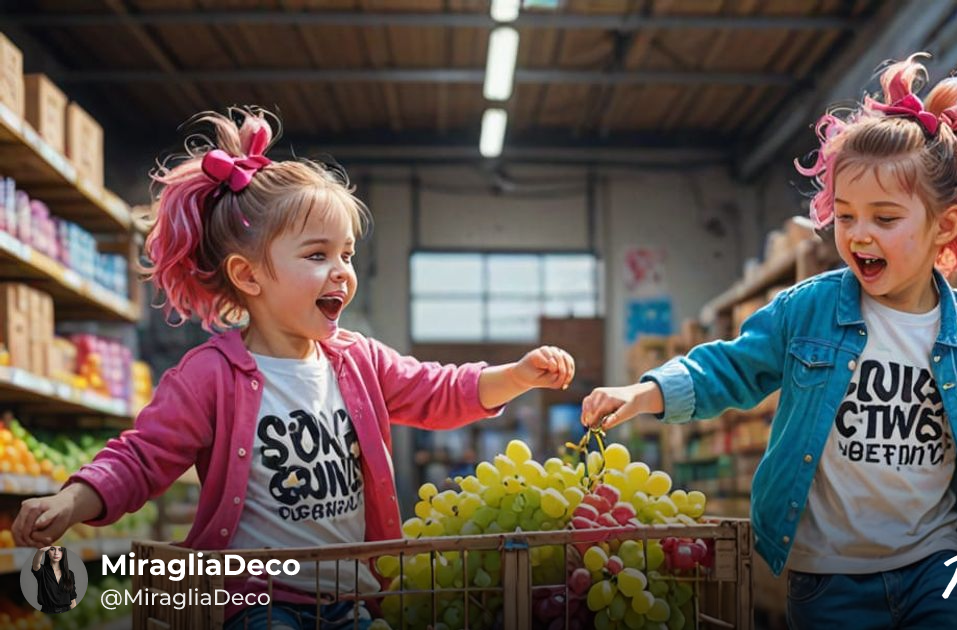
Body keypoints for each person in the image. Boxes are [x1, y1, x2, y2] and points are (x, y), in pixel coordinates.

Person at [580, 55, 957, 629]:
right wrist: (645, 391)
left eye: (885, 219)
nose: (859, 234)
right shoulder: (807, 310)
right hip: (828, 576)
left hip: (938, 562)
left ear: (945, 225)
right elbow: (728, 368)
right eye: (845, 216)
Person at [10, 107, 576, 630]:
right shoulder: (209, 376)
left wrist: (519, 374)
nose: (341, 271)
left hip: (351, 594)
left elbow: (439, 389)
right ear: (249, 276)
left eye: (347, 254)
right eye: (316, 255)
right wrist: (71, 500)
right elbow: (141, 457)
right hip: (254, 602)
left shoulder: (359, 361)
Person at [29, 545, 76, 614]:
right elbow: (35, 565)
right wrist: (40, 551)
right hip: (47, 612)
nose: (56, 553)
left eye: (60, 550)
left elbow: (72, 598)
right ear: (47, 552)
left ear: (63, 553)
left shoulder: (70, 574)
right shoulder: (42, 571)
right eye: (52, 549)